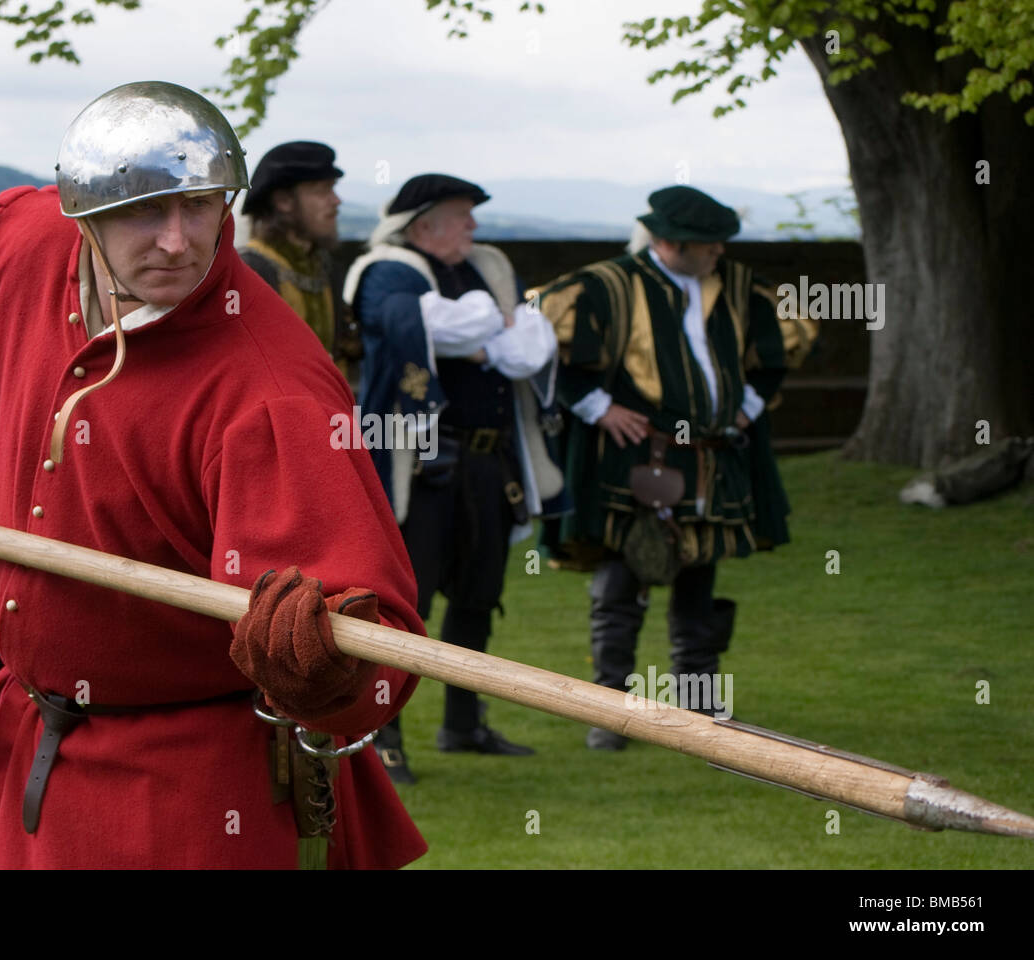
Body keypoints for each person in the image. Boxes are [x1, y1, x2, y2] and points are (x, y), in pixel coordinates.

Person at [0, 81, 428, 869]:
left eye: (199, 205)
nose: (177, 241)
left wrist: (323, 659)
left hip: (187, 793)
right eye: (142, 211)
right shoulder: (28, 248)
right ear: (84, 216)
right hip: (25, 735)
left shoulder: (273, 393)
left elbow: (376, 646)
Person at [533, 185, 816, 750]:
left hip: (710, 458)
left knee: (699, 571)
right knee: (622, 580)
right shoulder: (604, 285)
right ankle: (611, 714)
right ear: (667, 241)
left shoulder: (737, 286)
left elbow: (777, 354)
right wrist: (598, 407)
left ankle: (701, 715)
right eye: (706, 245)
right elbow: (540, 345)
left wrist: (748, 406)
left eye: (720, 244)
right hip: (635, 455)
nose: (718, 254)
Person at [343, 173, 562, 783]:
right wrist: (490, 328)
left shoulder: (483, 269)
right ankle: (383, 741)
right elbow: (425, 327)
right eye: (462, 217)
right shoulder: (388, 269)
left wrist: (482, 335)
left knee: (477, 597)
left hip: (487, 464)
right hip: (420, 465)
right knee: (401, 605)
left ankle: (463, 724)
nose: (473, 228)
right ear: (423, 226)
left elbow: (531, 344)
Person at [238, 141, 359, 376]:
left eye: (332, 188)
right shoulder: (252, 270)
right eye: (322, 190)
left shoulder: (324, 265)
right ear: (283, 201)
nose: (336, 201)